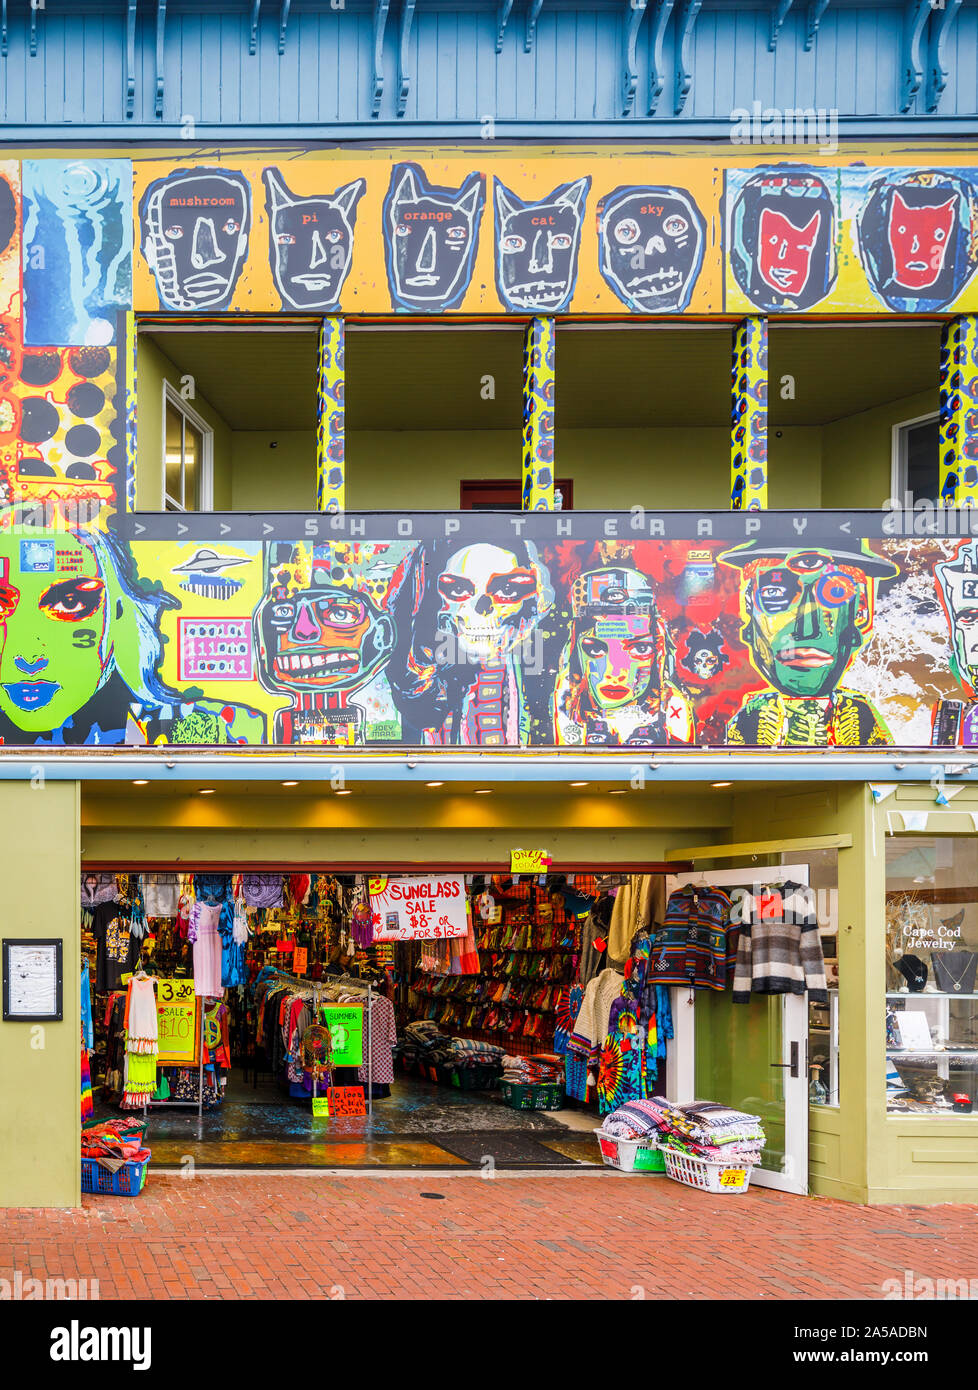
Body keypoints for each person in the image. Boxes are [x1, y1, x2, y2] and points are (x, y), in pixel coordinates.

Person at [718, 540, 898, 746]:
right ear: (749, 619)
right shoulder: (750, 718)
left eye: (834, 593)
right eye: (774, 593)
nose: (806, 631)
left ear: (860, 616)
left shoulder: (860, 716)